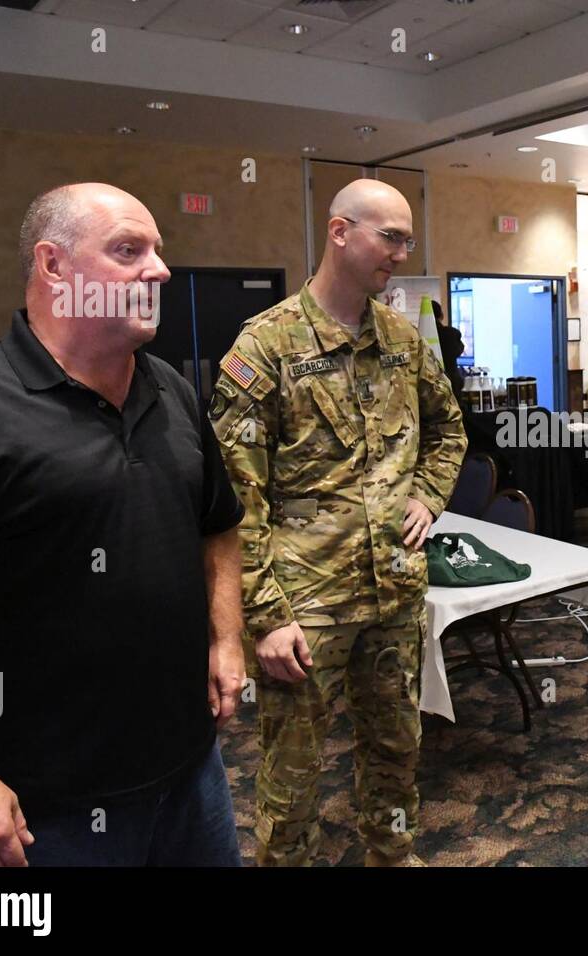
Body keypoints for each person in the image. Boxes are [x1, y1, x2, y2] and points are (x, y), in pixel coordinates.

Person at [0, 183, 246, 866]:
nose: (160, 269)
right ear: (53, 266)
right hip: (42, 808)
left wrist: (227, 638)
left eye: (158, 251)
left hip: (191, 777)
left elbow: (220, 525)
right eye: (128, 250)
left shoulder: (171, 392)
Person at [210, 179, 465, 867]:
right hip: (304, 607)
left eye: (409, 238)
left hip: (393, 594)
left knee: (396, 750)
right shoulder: (266, 346)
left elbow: (449, 434)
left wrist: (429, 498)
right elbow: (237, 500)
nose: (403, 252)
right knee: (292, 776)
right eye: (391, 237)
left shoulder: (404, 342)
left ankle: (392, 854)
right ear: (340, 231)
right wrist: (264, 615)